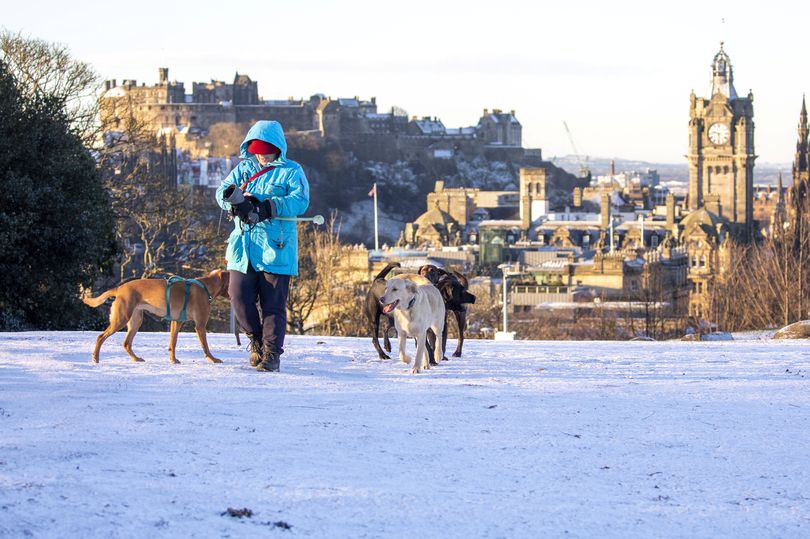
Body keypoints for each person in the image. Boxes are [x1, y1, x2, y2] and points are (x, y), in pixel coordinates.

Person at [216, 120, 310, 372]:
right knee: (238, 297)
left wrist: (267, 206)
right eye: (257, 149)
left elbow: (300, 201)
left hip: (276, 247)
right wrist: (235, 203)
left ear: (278, 148)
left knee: (273, 305)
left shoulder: (291, 170)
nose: (262, 154)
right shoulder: (244, 168)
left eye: (267, 150)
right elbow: (221, 192)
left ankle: (271, 354)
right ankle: (255, 341)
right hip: (243, 248)